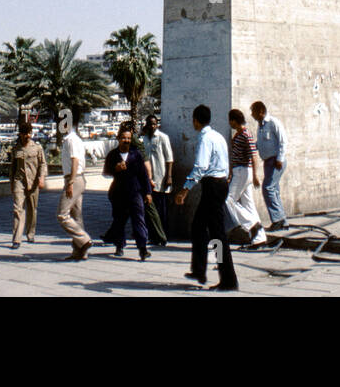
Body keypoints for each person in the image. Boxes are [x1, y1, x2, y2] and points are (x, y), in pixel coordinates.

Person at [175, 104, 238, 291]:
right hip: (219, 185)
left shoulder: (205, 139)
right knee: (198, 227)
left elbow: (200, 167)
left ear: (195, 120)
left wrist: (184, 190)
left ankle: (228, 280)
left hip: (212, 187)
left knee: (218, 235)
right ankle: (199, 269)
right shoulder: (218, 136)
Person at [101, 121, 153, 260]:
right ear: (118, 138)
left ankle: (142, 249)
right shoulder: (113, 155)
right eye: (124, 138)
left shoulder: (136, 155)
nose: (126, 141)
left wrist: (148, 193)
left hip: (135, 192)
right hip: (118, 192)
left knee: (139, 220)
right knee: (119, 220)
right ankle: (119, 246)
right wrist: (115, 169)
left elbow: (143, 175)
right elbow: (106, 172)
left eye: (129, 138)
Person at [226, 109, 265, 247]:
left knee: (228, 200)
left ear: (234, 121)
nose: (229, 123)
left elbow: (254, 155)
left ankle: (252, 224)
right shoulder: (239, 134)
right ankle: (259, 238)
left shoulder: (246, 134)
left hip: (243, 171)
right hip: (239, 171)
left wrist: (255, 175)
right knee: (248, 204)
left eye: (230, 120)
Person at [57, 118, 92, 260]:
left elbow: (75, 160)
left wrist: (70, 182)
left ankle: (84, 239)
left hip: (74, 178)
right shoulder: (75, 139)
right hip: (78, 178)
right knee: (77, 216)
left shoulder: (71, 140)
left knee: (62, 214)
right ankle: (79, 252)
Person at [250, 101, 288, 231]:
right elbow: (260, 143)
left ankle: (277, 220)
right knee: (274, 190)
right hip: (267, 162)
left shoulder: (273, 122)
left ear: (261, 111)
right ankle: (282, 220)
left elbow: (283, 141)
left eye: (253, 112)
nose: (252, 115)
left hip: (276, 161)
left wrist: (280, 158)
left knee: (268, 188)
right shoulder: (260, 126)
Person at [8, 123, 47, 248]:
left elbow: (43, 164)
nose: (27, 136)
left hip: (33, 182)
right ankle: (17, 239)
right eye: (25, 133)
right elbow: (12, 168)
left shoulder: (37, 148)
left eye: (29, 133)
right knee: (18, 209)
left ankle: (30, 233)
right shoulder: (16, 149)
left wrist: (41, 178)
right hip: (19, 181)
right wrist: (12, 183)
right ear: (20, 134)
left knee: (32, 209)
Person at [138, 114, 172, 246]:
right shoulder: (144, 139)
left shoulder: (163, 138)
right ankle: (152, 235)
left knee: (161, 209)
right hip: (147, 179)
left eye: (154, 124)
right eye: (149, 124)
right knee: (148, 208)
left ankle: (162, 235)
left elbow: (169, 159)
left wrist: (169, 176)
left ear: (157, 124)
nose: (152, 126)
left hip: (160, 177)